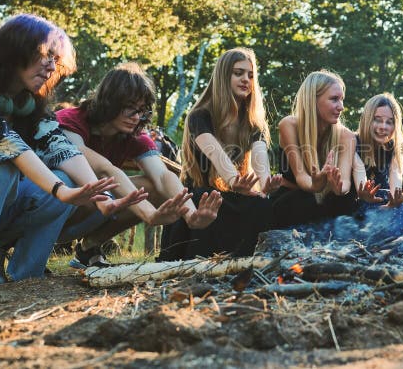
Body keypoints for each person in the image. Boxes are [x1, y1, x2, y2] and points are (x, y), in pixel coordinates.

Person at [0, 14, 139, 286]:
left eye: (56, 61)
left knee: (71, 179)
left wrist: (100, 198)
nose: (51, 67)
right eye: (46, 55)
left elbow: (62, 148)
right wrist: (61, 190)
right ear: (15, 49)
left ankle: (19, 271)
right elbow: (9, 146)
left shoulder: (30, 106)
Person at [56, 63, 221, 268]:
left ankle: (90, 247)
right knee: (98, 185)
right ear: (109, 102)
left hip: (91, 208)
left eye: (141, 111)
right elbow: (105, 169)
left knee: (153, 186)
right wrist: (149, 214)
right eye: (130, 108)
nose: (136, 117)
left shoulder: (134, 135)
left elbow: (162, 176)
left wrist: (191, 214)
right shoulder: (70, 120)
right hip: (52, 206)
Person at [159, 48, 281, 260]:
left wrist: (265, 181)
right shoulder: (200, 115)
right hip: (197, 197)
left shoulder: (253, 122)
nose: (246, 80)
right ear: (224, 76)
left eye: (251, 75)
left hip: (232, 195)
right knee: (204, 196)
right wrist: (233, 179)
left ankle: (249, 260)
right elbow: (215, 154)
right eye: (238, 73)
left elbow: (259, 153)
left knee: (262, 204)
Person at [272, 70, 357, 230]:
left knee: (347, 197)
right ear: (313, 100)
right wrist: (315, 185)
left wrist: (340, 188)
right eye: (334, 99)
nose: (341, 107)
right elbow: (301, 176)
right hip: (293, 203)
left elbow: (345, 181)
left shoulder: (347, 136)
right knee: (302, 199)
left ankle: (338, 248)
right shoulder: (289, 125)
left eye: (342, 100)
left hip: (327, 204)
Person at [352, 93, 403, 251]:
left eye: (390, 122)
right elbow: (359, 176)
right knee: (372, 199)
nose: (383, 127)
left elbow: (396, 176)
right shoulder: (353, 141)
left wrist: (393, 201)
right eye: (377, 119)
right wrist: (365, 193)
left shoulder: (392, 147)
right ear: (367, 119)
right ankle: (368, 249)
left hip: (381, 207)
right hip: (354, 204)